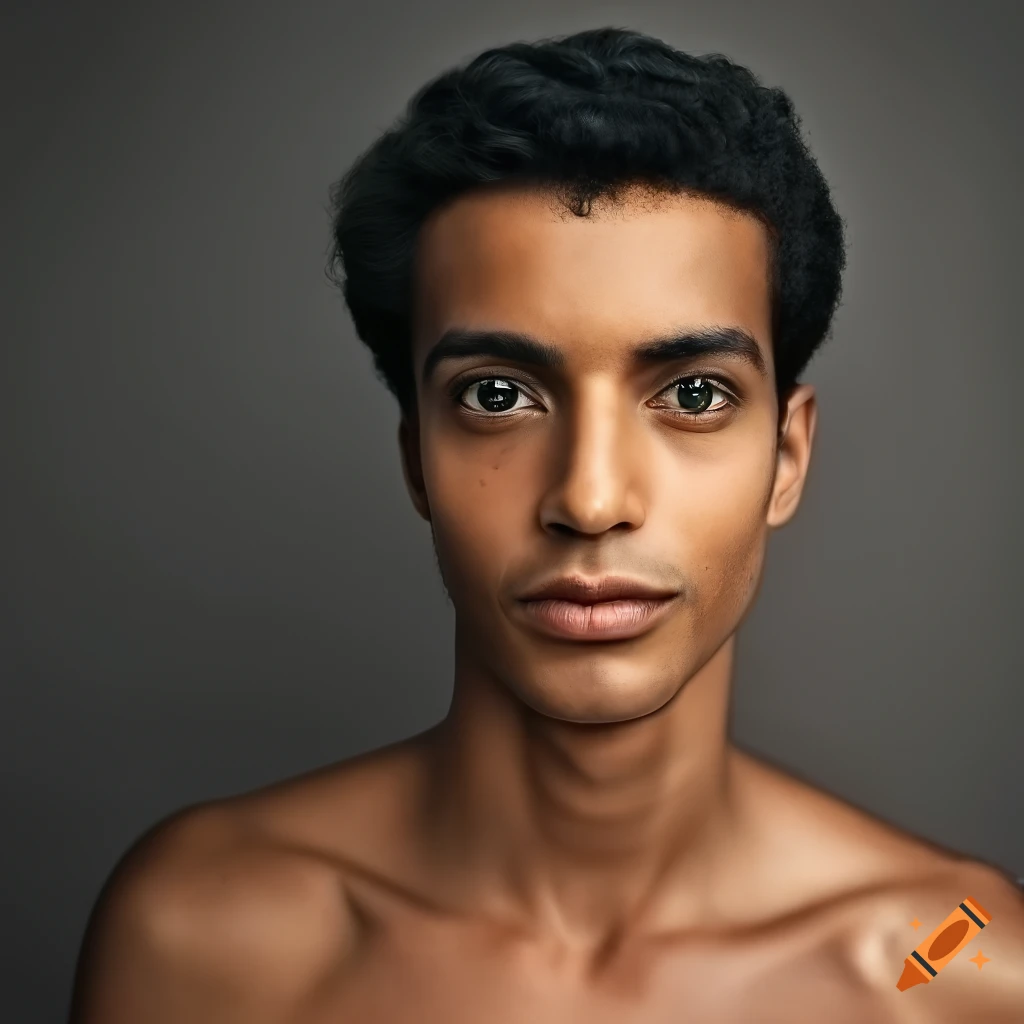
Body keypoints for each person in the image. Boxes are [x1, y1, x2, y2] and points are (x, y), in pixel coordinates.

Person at [69, 25, 1024, 1023]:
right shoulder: (215, 941)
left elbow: (943, 960)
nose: (591, 498)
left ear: (786, 457)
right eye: (497, 394)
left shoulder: (938, 958)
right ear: (416, 460)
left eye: (693, 394)